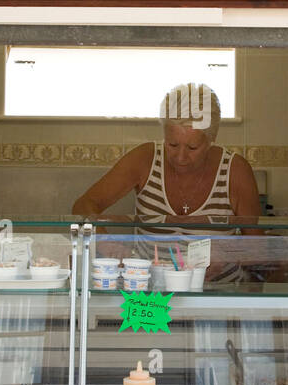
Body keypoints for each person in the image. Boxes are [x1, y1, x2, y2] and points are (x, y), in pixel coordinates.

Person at [72, 83, 261, 280]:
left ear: (211, 139)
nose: (181, 157)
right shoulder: (144, 159)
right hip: (153, 299)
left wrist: (227, 254)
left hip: (218, 296)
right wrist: (106, 241)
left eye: (192, 147)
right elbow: (84, 205)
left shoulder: (235, 171)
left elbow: (258, 248)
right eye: (172, 144)